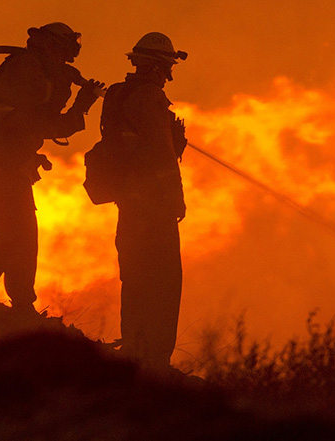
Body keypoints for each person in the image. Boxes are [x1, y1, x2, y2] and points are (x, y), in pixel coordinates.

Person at [0, 22, 102, 315]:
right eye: (62, 53)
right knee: (19, 230)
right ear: (49, 46)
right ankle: (18, 302)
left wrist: (67, 89)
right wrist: (79, 106)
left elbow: (42, 117)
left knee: (11, 229)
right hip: (1, 158)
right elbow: (37, 121)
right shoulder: (25, 68)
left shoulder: (38, 70)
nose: (64, 60)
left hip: (11, 159)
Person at [97, 32, 188, 368]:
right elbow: (160, 156)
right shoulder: (150, 98)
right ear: (154, 67)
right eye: (166, 68)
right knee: (163, 279)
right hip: (153, 203)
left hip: (127, 201)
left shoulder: (120, 95)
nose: (168, 75)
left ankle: (135, 346)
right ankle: (155, 357)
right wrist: (176, 198)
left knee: (134, 275)